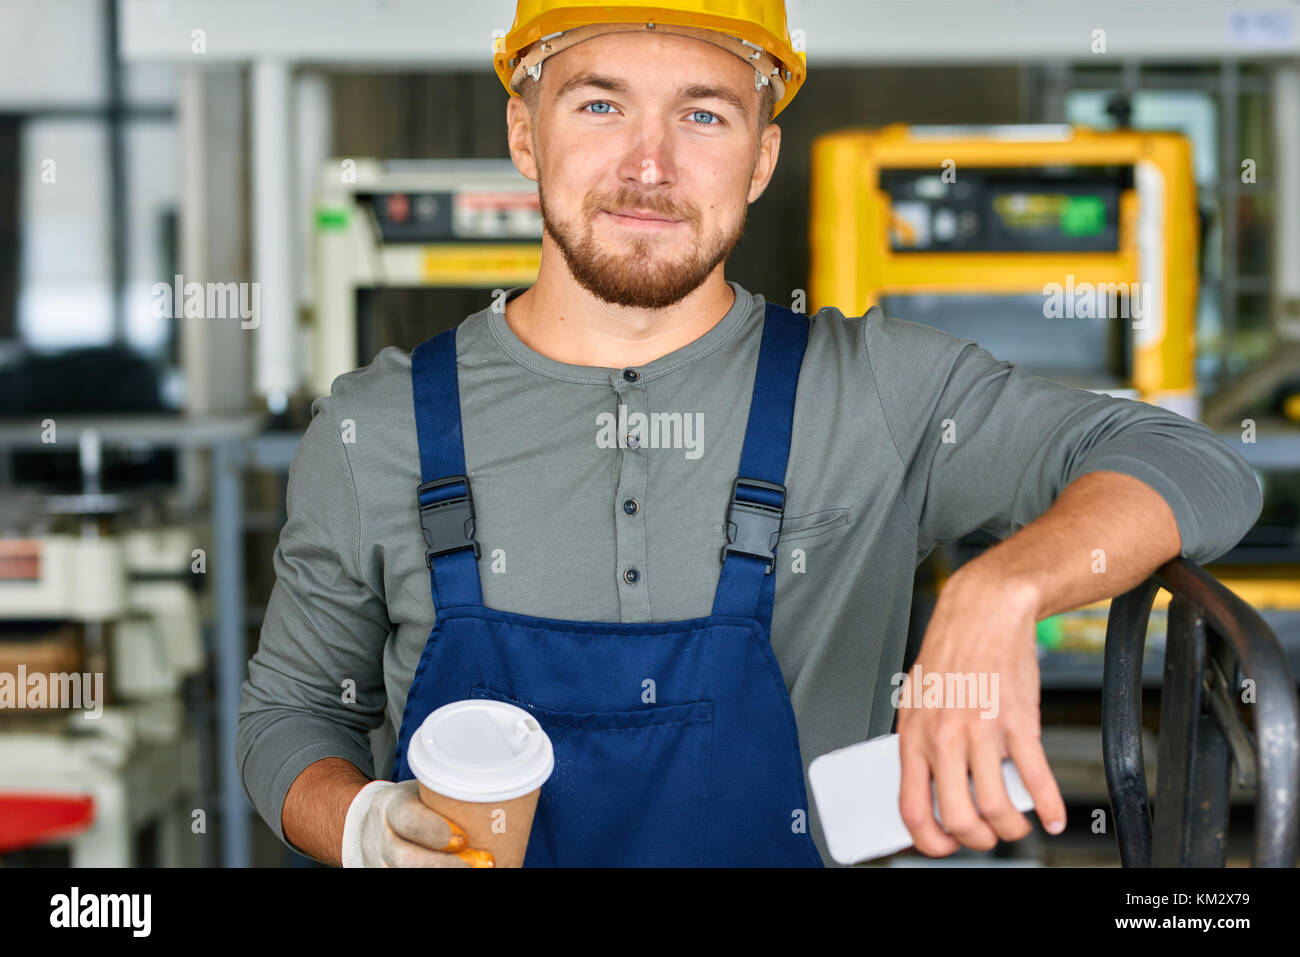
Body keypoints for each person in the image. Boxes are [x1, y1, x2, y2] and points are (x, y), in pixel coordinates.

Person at [238, 0, 1262, 867]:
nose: (648, 165)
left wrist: (1007, 585)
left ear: (762, 155)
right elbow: (288, 716)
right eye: (599, 104)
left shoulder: (878, 392)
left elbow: (1197, 465)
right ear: (523, 132)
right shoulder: (377, 427)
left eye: (704, 115)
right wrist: (368, 825)